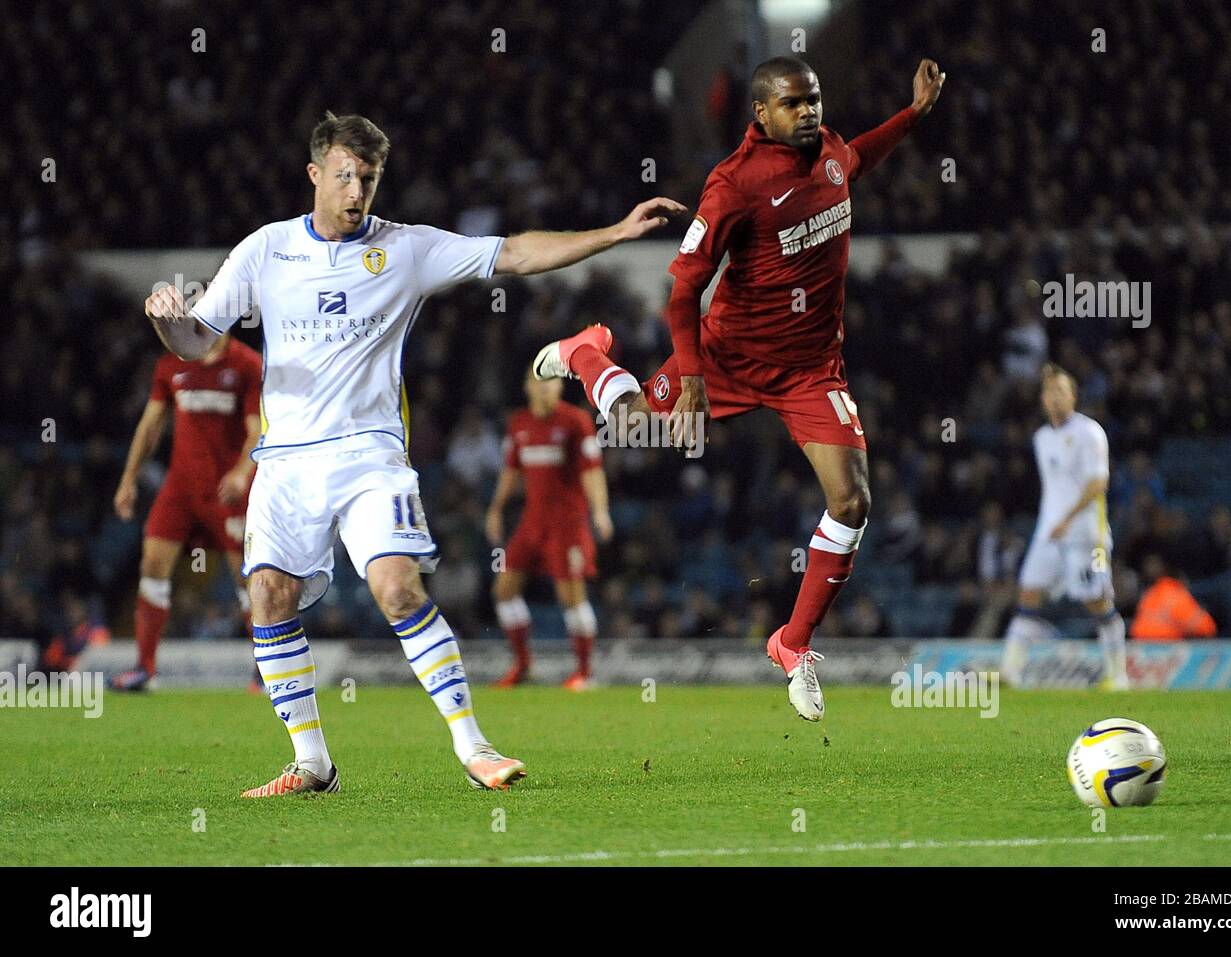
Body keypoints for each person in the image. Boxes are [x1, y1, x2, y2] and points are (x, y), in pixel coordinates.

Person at [142, 112, 684, 795]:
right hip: (285, 462)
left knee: (398, 587)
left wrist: (614, 232)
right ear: (314, 175)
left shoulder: (406, 248)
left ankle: (474, 745)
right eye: (344, 176)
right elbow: (194, 340)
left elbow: (512, 253)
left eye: (367, 179)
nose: (356, 191)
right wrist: (167, 318)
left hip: (370, 455)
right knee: (268, 595)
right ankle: (313, 763)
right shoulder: (265, 251)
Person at [532, 56, 944, 721]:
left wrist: (911, 116)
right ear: (762, 113)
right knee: (635, 428)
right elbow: (683, 291)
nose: (809, 111)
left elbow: (858, 158)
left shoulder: (830, 148)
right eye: (793, 104)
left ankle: (791, 643)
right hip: (728, 354)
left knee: (852, 498)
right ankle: (585, 352)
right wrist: (692, 375)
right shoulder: (735, 184)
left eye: (813, 99)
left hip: (811, 367)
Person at [111, 333, 261, 690]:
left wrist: (242, 473)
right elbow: (150, 425)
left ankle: (266, 671)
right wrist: (128, 479)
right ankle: (145, 669)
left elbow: (257, 430)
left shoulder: (247, 364)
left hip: (227, 488)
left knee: (248, 579)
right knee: (151, 564)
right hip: (181, 488)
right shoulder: (171, 363)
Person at [1001, 364, 1130, 689]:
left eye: (1061, 391)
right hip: (1049, 534)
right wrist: (1052, 523)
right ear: (1042, 399)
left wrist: (1068, 519)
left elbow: (1098, 483)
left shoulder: (1090, 433)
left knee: (1097, 602)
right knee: (1028, 593)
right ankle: (1011, 672)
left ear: (1073, 396)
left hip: (1086, 535)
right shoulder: (1042, 438)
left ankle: (1118, 675)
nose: (1055, 398)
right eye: (1049, 392)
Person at [486, 373, 613, 690]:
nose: (544, 387)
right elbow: (511, 470)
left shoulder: (576, 421)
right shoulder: (518, 423)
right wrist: (496, 509)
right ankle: (524, 665)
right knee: (503, 590)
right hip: (531, 523)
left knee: (570, 597)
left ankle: (584, 672)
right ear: (527, 386)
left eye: (551, 382)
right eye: (538, 381)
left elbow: (592, 470)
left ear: (559, 387)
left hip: (567, 525)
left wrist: (600, 510)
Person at [1130, 555, 1217, 641]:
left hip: (1142, 646)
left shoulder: (1149, 593)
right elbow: (1207, 627)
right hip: (1165, 647)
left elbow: (1135, 630)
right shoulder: (1175, 594)